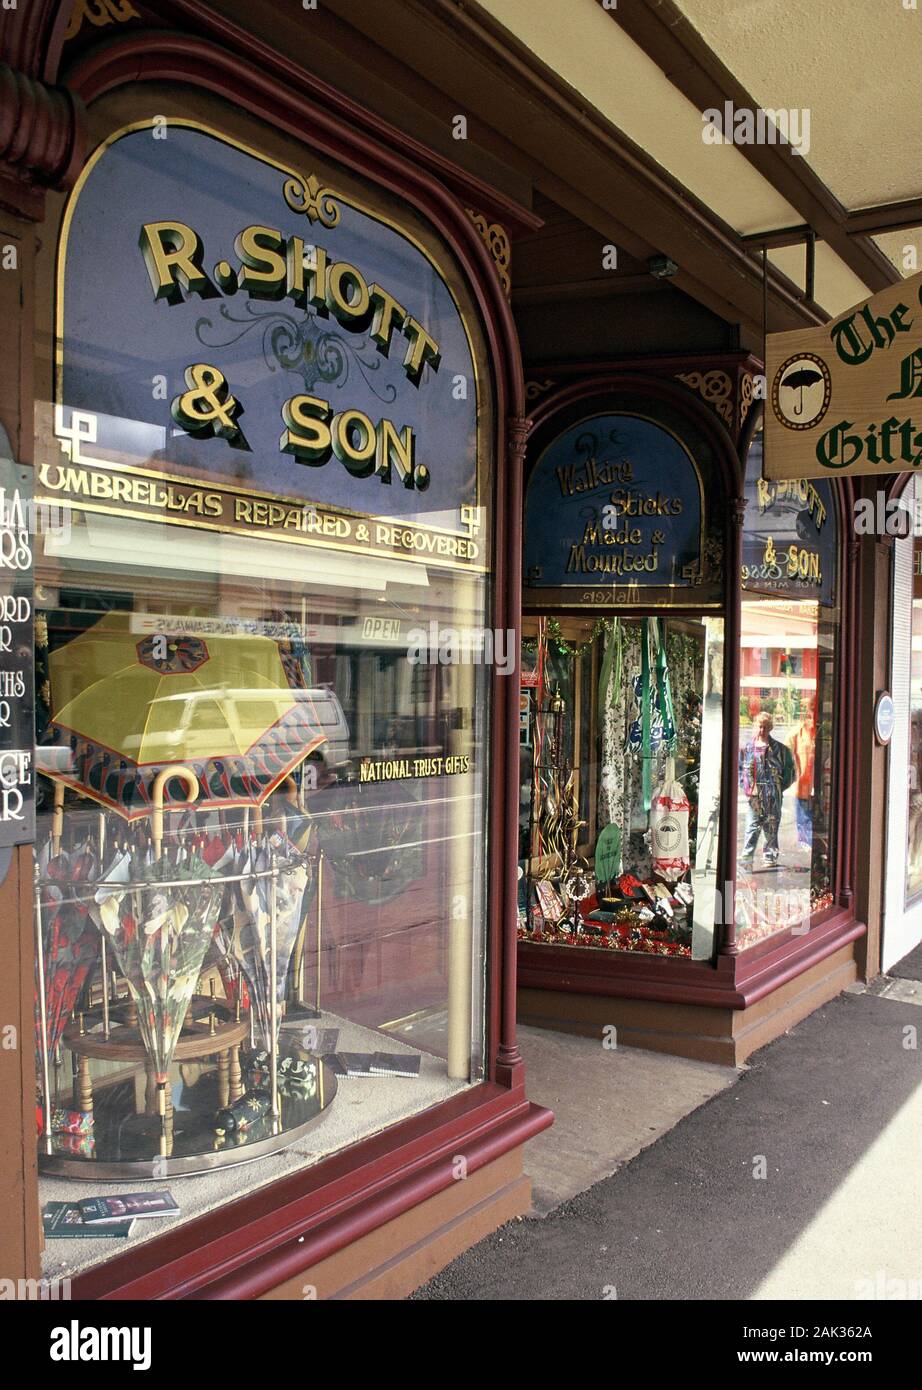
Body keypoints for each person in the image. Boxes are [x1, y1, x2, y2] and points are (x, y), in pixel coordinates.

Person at [739, 711, 796, 867]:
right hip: (754, 795)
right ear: (754, 727)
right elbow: (739, 771)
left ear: (770, 728)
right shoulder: (746, 749)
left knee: (771, 825)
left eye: (765, 727)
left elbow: (790, 773)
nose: (762, 730)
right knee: (752, 826)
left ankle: (770, 856)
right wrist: (747, 788)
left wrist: (778, 787)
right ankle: (747, 858)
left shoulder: (781, 750)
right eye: (759, 726)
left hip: (772, 794)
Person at [789, 697, 816, 851]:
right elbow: (784, 749)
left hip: (820, 785)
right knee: (804, 819)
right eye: (811, 709)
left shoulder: (822, 730)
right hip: (804, 784)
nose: (812, 713)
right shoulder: (799, 731)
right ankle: (806, 844)